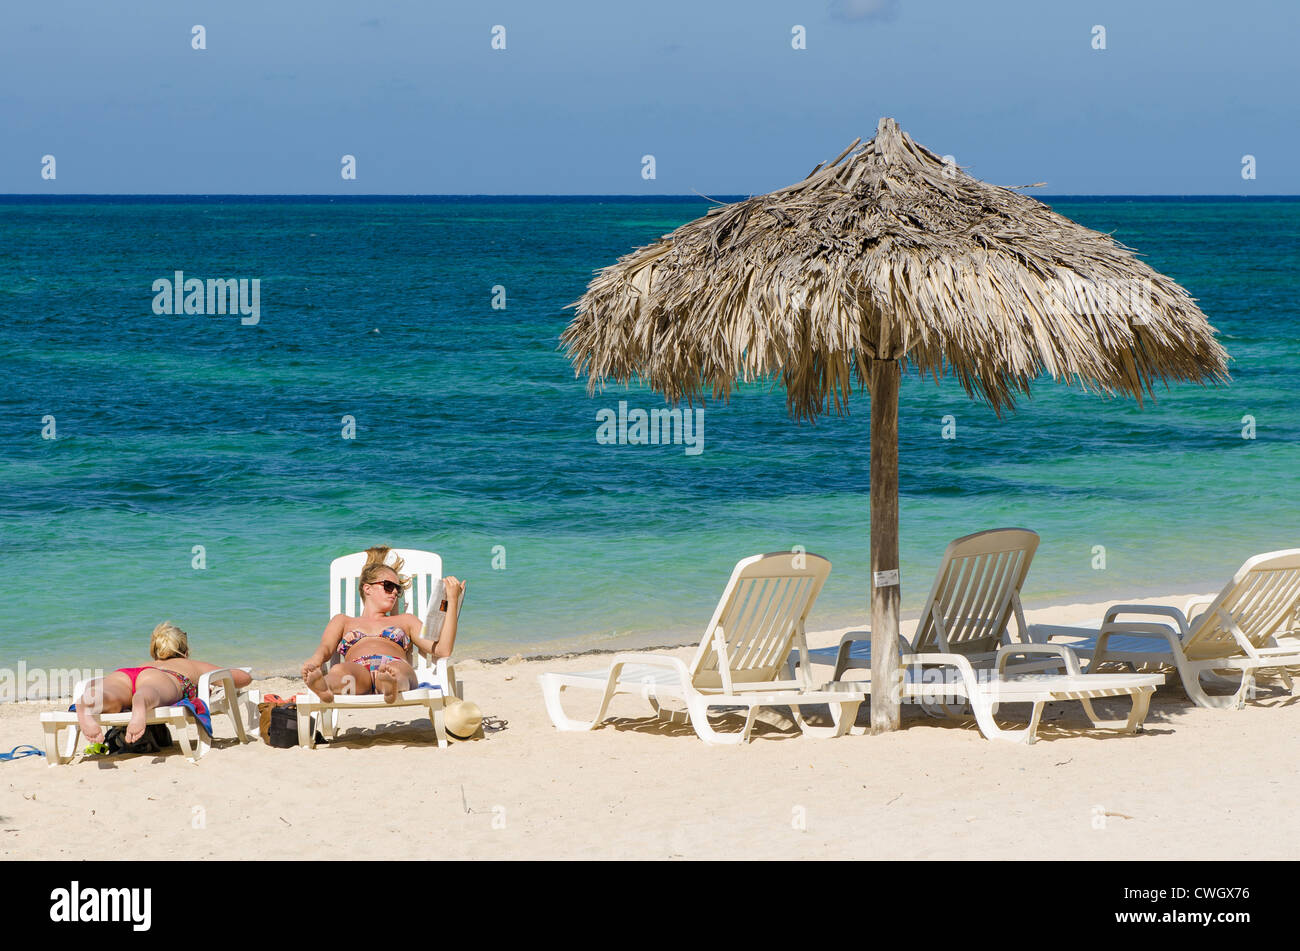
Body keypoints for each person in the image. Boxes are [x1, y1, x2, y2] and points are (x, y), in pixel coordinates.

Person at [301, 546, 463, 703]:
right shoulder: (343, 621)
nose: (394, 592)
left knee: (398, 670)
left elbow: (443, 649)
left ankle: (389, 685)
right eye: (388, 586)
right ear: (367, 588)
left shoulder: (406, 620)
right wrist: (315, 661)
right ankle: (326, 686)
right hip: (358, 670)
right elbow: (326, 648)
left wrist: (453, 600)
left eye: (397, 589)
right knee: (341, 671)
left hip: (394, 664)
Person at [75, 621, 253, 744]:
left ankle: (88, 701)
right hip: (163, 678)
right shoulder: (190, 665)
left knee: (110, 695)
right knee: (151, 691)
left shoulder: (147, 664)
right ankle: (141, 701)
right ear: (186, 650)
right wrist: (244, 676)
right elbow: (238, 678)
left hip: (126, 673)